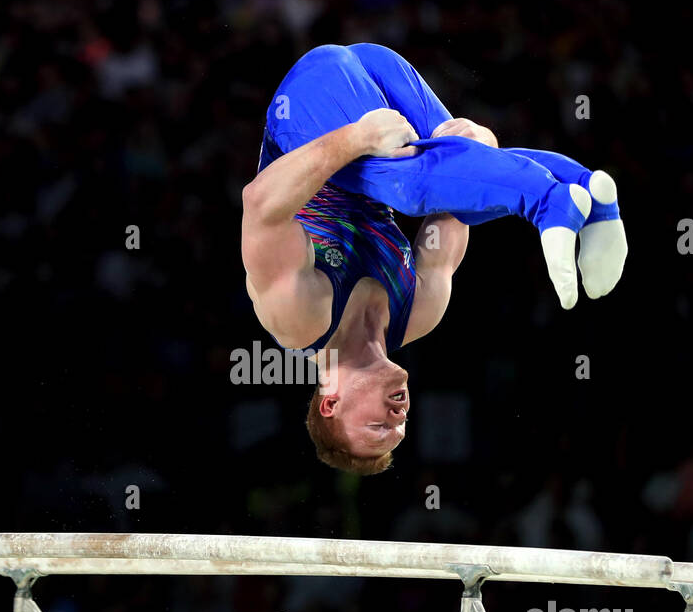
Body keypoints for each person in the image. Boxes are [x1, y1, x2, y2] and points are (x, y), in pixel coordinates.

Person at [241, 44, 627, 474]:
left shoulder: (298, 318)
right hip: (382, 72)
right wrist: (481, 141)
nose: (398, 419)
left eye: (377, 427)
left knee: (408, 187)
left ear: (330, 401)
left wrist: (356, 138)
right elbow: (459, 198)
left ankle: (548, 204)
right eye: (399, 429)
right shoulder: (420, 311)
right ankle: (590, 194)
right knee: (440, 179)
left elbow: (259, 205)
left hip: (308, 108)